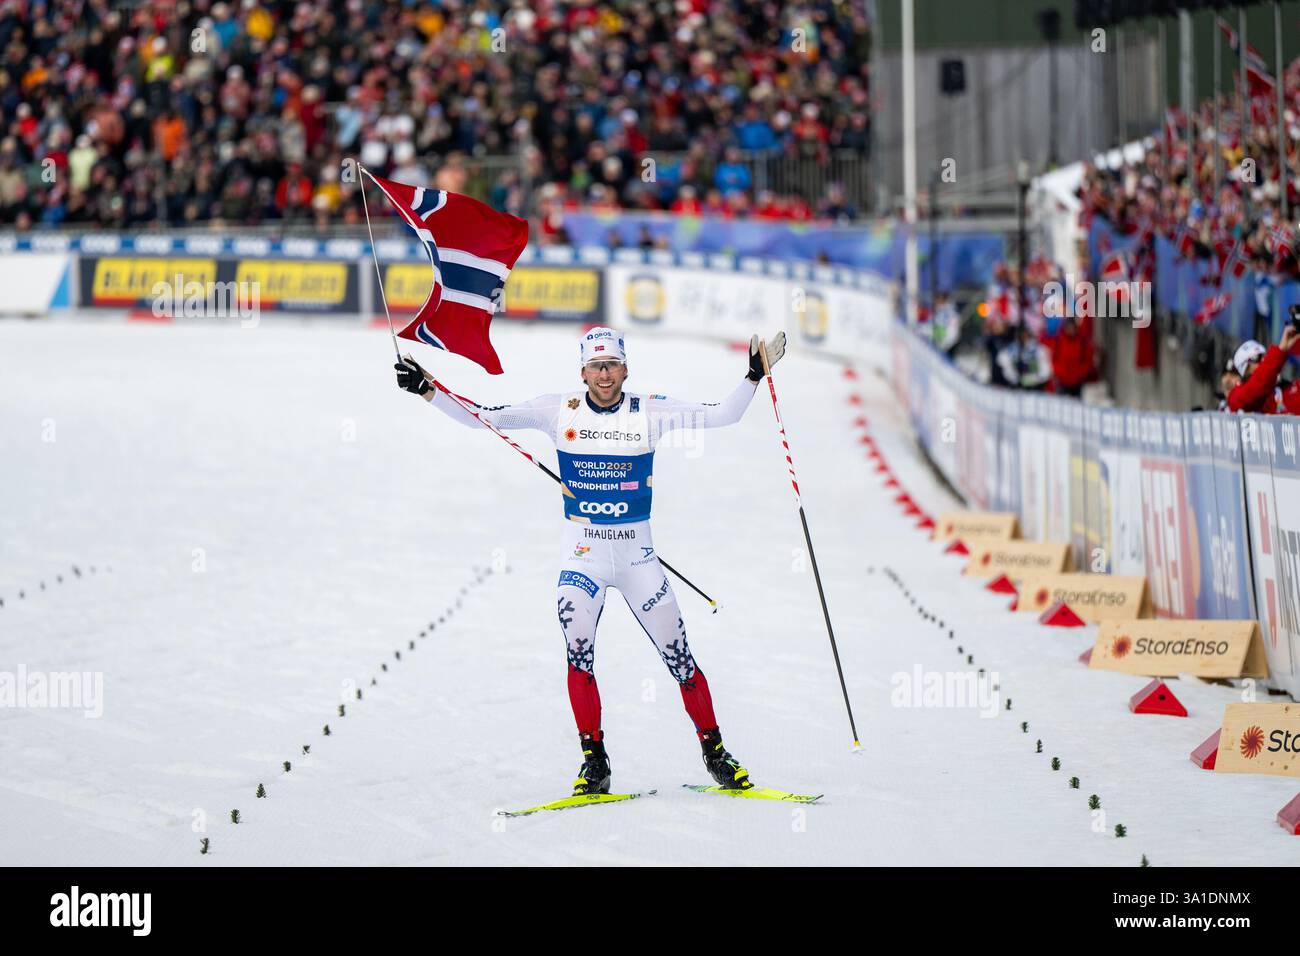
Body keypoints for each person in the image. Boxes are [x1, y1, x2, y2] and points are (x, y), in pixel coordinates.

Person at [394, 328, 787, 796]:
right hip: (583, 558)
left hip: (639, 559)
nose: (605, 374)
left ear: (626, 368)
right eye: (596, 366)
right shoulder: (557, 410)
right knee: (579, 655)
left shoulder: (650, 411)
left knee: (680, 659)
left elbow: (723, 415)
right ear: (582, 371)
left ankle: (715, 753)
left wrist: (753, 375)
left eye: (613, 365)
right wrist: (428, 390)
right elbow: (482, 418)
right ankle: (594, 762)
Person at [1226, 327, 1300, 414]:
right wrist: (1281, 350)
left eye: (1265, 356)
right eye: (1257, 358)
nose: (1264, 360)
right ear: (1245, 370)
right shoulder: (1236, 396)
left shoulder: (1289, 388)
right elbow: (1257, 387)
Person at [996, 323, 1053, 390]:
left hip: (1035, 387)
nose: (1022, 336)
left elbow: (1046, 372)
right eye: (1020, 333)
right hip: (1015, 386)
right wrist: (1015, 378)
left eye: (1025, 333)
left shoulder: (1039, 349)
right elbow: (1001, 360)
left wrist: (1030, 380)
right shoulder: (1011, 349)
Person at [1047, 315, 1094, 397]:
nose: (1070, 330)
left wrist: (1081, 373)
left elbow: (1087, 359)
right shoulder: (1059, 341)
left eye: (1072, 328)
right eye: (1068, 328)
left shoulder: (1081, 341)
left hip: (1077, 381)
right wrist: (1059, 372)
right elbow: (1054, 358)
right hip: (1062, 381)